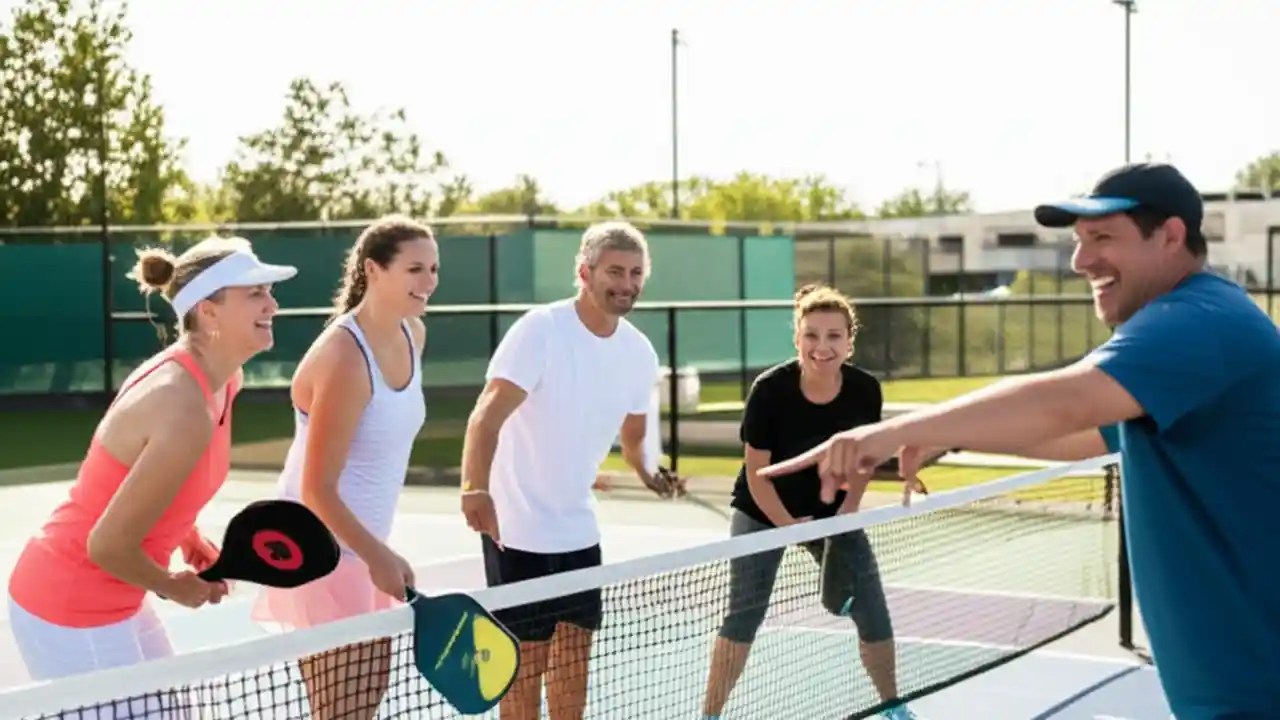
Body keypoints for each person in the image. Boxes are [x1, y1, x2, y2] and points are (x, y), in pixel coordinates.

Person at [759, 163, 1280, 719]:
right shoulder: (1201, 323)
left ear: (1172, 236)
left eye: (1103, 237)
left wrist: (889, 433)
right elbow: (1084, 433)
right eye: (1079, 242)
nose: (1081, 261)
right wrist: (948, 436)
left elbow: (1068, 402)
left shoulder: (1197, 318)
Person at [5, 235, 297, 685]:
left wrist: (186, 534)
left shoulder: (223, 380)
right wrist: (174, 586)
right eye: (255, 294)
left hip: (114, 594)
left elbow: (147, 475)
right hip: (71, 606)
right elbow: (105, 545)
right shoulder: (182, 406)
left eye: (269, 292)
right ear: (208, 310)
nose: (272, 306)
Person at [459, 220, 678, 720]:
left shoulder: (639, 352)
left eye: (636, 273)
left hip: (578, 527)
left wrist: (651, 472)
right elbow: (485, 416)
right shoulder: (541, 330)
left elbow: (635, 439)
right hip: (515, 526)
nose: (627, 283)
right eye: (615, 271)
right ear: (585, 271)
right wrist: (474, 490)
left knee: (575, 653)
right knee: (525, 658)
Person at [700, 284, 920, 720]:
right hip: (763, 512)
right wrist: (788, 525)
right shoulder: (769, 391)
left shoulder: (864, 391)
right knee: (744, 615)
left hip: (832, 513)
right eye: (812, 335)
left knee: (873, 612)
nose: (822, 346)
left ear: (849, 342)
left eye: (834, 336)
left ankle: (893, 707)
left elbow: (863, 462)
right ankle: (710, 716)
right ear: (797, 340)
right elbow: (757, 473)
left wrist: (844, 515)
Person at [252, 215, 437, 720]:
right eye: (415, 269)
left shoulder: (412, 334)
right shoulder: (345, 358)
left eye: (434, 270)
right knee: (341, 707)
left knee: (367, 692)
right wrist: (378, 555)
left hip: (362, 544)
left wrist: (374, 552)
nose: (429, 283)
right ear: (374, 270)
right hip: (315, 543)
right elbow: (317, 488)